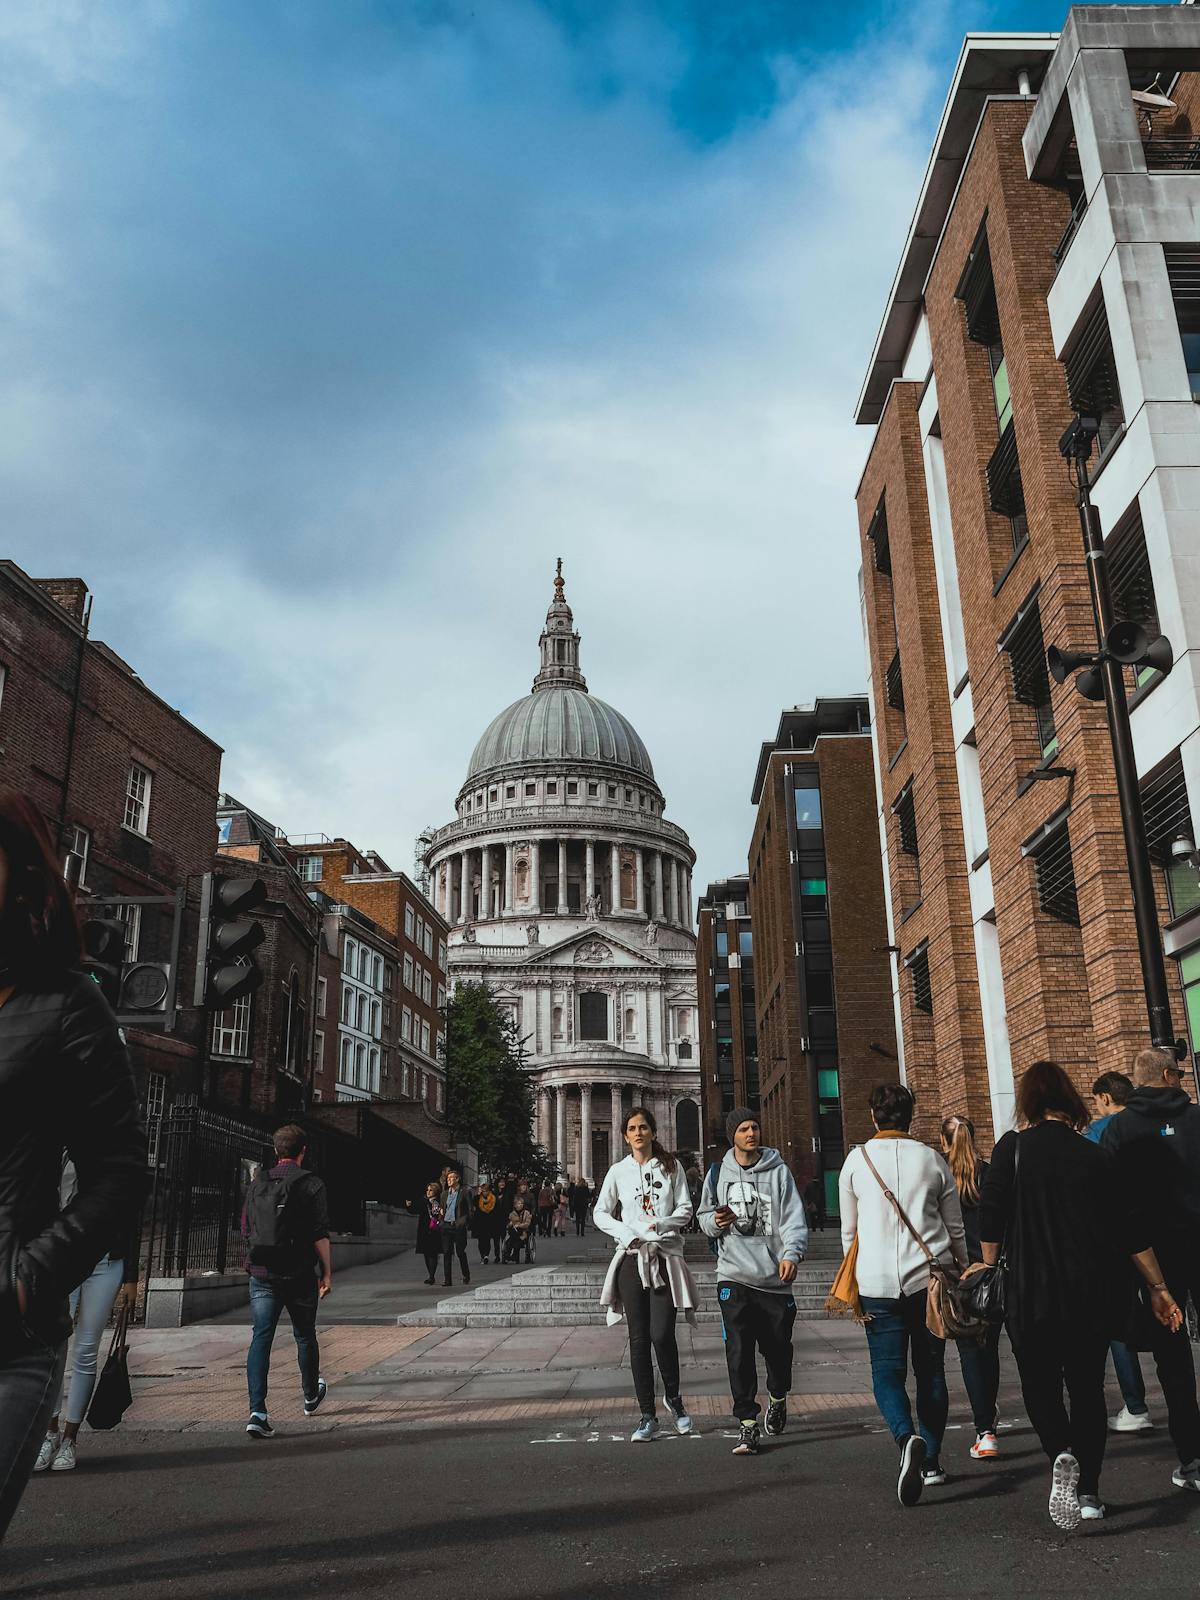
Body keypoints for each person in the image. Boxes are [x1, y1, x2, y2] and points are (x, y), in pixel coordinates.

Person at [0, 790, 146, 1539]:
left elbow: (120, 1170)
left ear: (18, 877)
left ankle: (64, 1429)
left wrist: (30, 1279)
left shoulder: (66, 1005)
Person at [979, 1060, 1180, 1529]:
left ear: (1028, 1102)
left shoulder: (1013, 1150)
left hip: (1031, 1294)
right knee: (1088, 1389)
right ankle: (1088, 1492)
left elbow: (990, 1215)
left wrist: (987, 1266)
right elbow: (1131, 1230)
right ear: (1070, 1100)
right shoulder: (1094, 1153)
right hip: (1090, 1292)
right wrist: (1159, 1288)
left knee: (1038, 1385)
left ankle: (1060, 1453)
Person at [839, 1083, 967, 1507]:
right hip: (928, 1282)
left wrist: (856, 1277)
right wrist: (961, 1271)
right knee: (931, 1372)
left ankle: (904, 1436)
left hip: (876, 1284)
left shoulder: (856, 1162)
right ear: (911, 1117)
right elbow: (955, 1228)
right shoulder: (932, 1160)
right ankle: (930, 1462)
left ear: (874, 1116)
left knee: (887, 1372)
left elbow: (849, 1233)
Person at [1101, 1046, 1200, 1496]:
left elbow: (1111, 1203)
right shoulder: (1198, 1118)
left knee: (1173, 1358)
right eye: (1178, 1072)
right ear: (1167, 1075)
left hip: (1155, 1259)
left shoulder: (1120, 1128)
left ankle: (1192, 1456)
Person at [698, 1108, 808, 1455]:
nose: (751, 1133)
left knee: (777, 1351)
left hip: (773, 1278)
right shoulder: (717, 1173)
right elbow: (704, 1219)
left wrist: (791, 1254)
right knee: (739, 1351)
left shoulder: (779, 1172)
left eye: (755, 1127)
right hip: (732, 1276)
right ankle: (746, 1424)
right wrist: (716, 1221)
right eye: (744, 1129)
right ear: (733, 1135)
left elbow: (792, 1218)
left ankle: (777, 1397)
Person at [594, 1108, 697, 1442]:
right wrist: (627, 1234)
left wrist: (660, 1226)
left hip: (664, 1256)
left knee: (662, 1333)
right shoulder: (618, 1172)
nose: (638, 1133)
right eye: (632, 1129)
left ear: (653, 1132)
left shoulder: (671, 1167)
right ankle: (647, 1416)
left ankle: (676, 1401)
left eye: (643, 1127)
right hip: (631, 1258)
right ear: (625, 1136)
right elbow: (600, 1212)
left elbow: (685, 1209)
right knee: (638, 1339)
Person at [34, 1157, 141, 1474]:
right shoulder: (56, 1154)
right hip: (61, 1259)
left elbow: (129, 1217)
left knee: (85, 1349)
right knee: (53, 1347)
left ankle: (70, 1437)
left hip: (105, 1264)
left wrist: (132, 1277)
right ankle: (49, 1432)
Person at [243, 1124, 332, 1439]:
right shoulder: (311, 1184)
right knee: (305, 1336)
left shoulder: (257, 1184)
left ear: (275, 1150)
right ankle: (310, 1395)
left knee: (261, 1338)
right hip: (298, 1274)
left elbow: (245, 1228)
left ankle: (257, 1411)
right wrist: (327, 1273)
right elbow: (320, 1234)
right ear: (302, 1151)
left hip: (263, 1273)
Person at [1085, 1071, 1154, 1435]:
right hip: (1163, 1233)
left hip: (1118, 1241)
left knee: (1120, 1324)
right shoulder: (1153, 1125)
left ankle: (1136, 1406)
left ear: (1105, 1098)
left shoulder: (1098, 1133)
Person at [939, 1115, 1003, 1462]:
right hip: (990, 1275)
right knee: (989, 1349)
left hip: (958, 1277)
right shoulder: (989, 1173)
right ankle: (988, 1423)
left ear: (943, 1141)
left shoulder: (940, 1175)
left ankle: (985, 1430)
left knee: (968, 1352)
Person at [440, 1169, 472, 1287]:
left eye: (451, 1178)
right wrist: (441, 1220)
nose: (448, 1180)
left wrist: (464, 1222)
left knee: (460, 1252)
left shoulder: (464, 1192)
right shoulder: (444, 1194)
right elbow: (442, 1209)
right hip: (446, 1225)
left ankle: (466, 1274)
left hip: (458, 1226)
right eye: (447, 1178)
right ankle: (447, 1279)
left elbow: (470, 1210)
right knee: (447, 1252)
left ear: (457, 1179)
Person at [416, 1182, 444, 1284]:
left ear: (435, 1191)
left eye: (430, 1190)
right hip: (424, 1230)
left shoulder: (438, 1202)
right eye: (427, 1190)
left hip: (434, 1230)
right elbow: (415, 1210)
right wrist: (408, 1205)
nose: (428, 1192)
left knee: (433, 1254)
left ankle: (432, 1276)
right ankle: (430, 1274)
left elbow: (439, 1214)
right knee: (426, 1254)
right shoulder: (423, 1201)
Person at [472, 1182, 501, 1265]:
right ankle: (483, 1256)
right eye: (483, 1190)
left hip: (492, 1222)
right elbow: (474, 1209)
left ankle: (492, 1255)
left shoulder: (494, 1198)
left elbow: (498, 1211)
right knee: (482, 1240)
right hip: (480, 1222)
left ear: (489, 1191)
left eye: (486, 1191)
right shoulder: (477, 1198)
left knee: (492, 1240)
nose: (484, 1192)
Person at [504, 1192, 535, 1263]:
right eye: (518, 1204)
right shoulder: (512, 1214)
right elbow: (508, 1225)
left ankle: (513, 1255)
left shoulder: (527, 1213)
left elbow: (527, 1223)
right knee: (512, 1238)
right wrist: (510, 1224)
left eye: (521, 1203)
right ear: (515, 1205)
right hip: (513, 1232)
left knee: (515, 1239)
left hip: (523, 1232)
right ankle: (509, 1254)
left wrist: (519, 1225)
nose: (519, 1205)